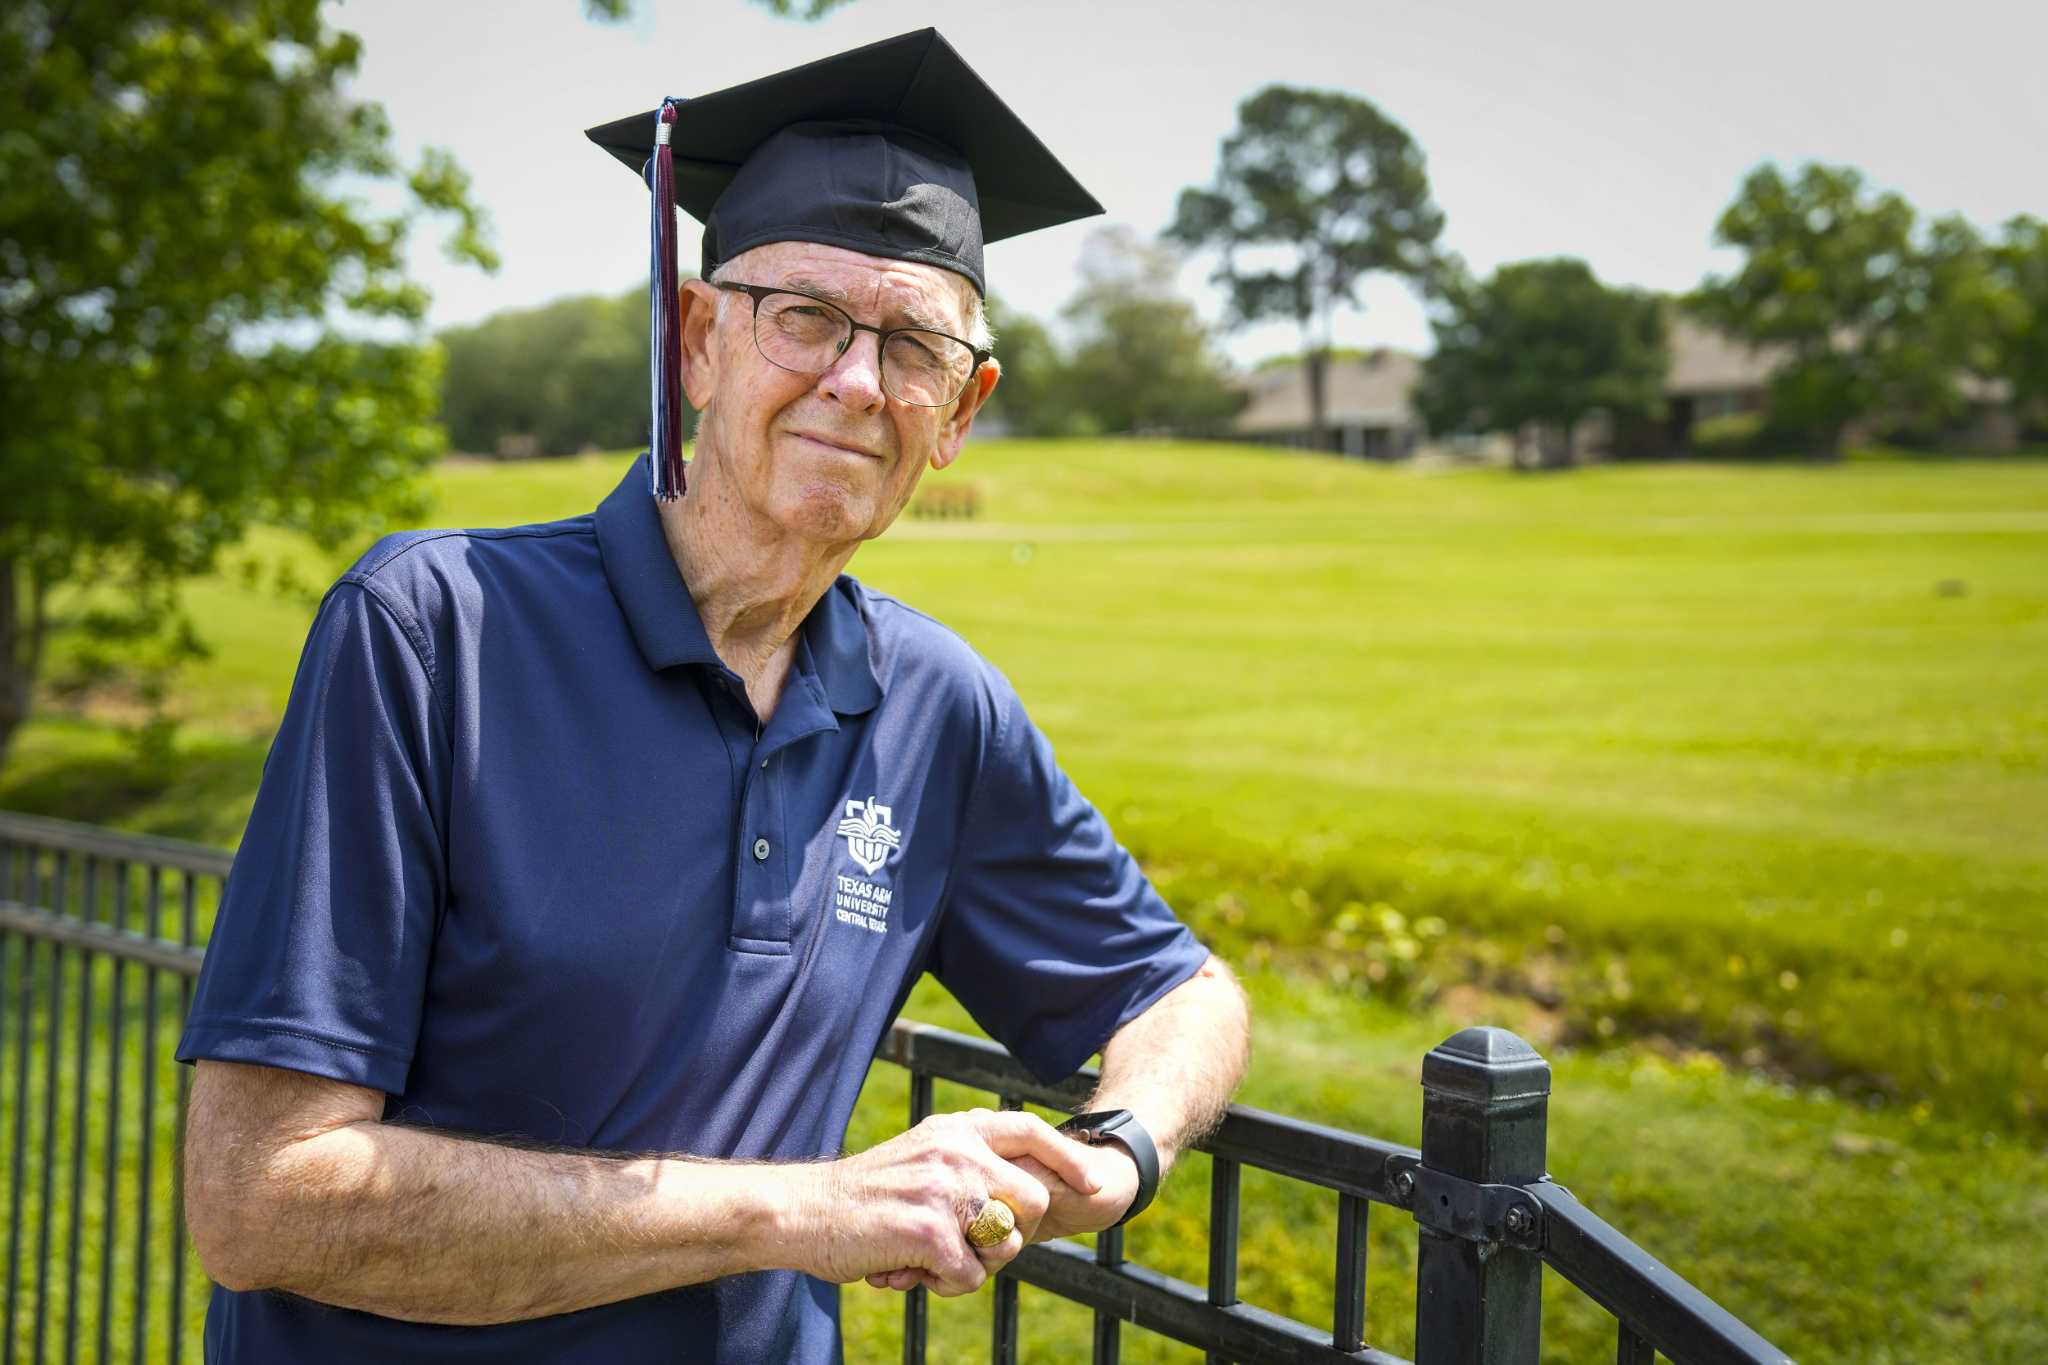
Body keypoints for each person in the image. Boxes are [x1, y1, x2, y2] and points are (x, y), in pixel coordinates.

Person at [176, 27, 1250, 1364]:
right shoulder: (430, 633)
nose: (855, 383)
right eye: (803, 316)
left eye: (913, 344)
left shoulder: (935, 709)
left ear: (960, 410)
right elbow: (259, 1199)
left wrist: (1122, 1151)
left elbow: (1185, 991)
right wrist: (800, 1209)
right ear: (696, 338)